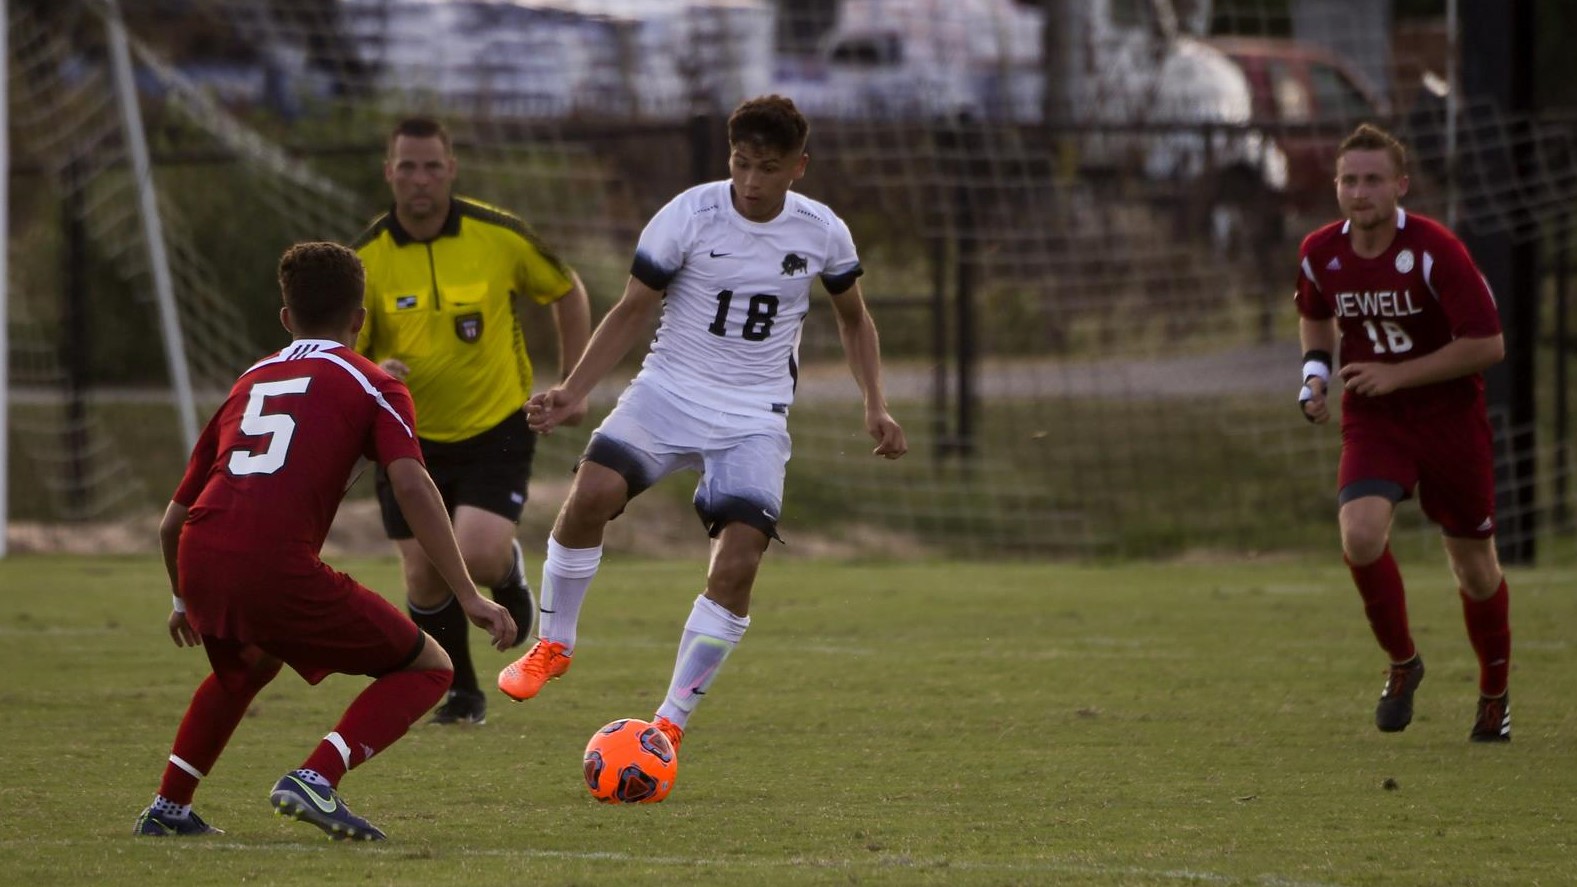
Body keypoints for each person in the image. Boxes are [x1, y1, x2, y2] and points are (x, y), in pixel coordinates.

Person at [497, 95, 908, 766]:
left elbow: (854, 319)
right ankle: (554, 643)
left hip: (753, 416)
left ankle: (668, 724)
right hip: (667, 391)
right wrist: (575, 389)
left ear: (797, 167)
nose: (750, 181)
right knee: (590, 492)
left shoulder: (822, 232)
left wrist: (875, 405)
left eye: (768, 168)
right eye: (741, 164)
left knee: (739, 562)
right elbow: (632, 308)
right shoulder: (687, 214)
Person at [133, 242, 515, 841]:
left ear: (286, 318)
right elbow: (411, 484)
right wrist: (468, 595)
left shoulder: (249, 380)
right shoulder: (374, 383)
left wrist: (182, 600)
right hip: (272, 563)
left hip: (201, 551)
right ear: (360, 318)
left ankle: (168, 807)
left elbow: (170, 521)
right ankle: (317, 777)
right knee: (429, 667)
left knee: (249, 665)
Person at [353, 117, 592, 725]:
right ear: (389, 172)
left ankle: (508, 570)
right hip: (406, 435)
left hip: (495, 424)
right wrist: (377, 367)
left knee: (477, 556)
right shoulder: (368, 257)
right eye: (407, 166)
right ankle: (460, 691)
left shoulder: (498, 235)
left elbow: (566, 290)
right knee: (424, 575)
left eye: (432, 165)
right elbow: (346, 348)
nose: (420, 178)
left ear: (451, 169)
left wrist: (573, 382)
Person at [1296, 123, 1511, 742]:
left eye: (1372, 180)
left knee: (1475, 569)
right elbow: (1314, 316)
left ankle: (1494, 695)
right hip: (1376, 417)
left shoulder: (1436, 250)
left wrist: (1400, 374)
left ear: (1400, 185)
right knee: (1360, 536)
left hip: (1448, 420)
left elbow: (1489, 344)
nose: (1360, 192)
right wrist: (1315, 379)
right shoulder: (1319, 252)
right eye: (1349, 180)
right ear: (1337, 186)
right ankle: (1403, 662)